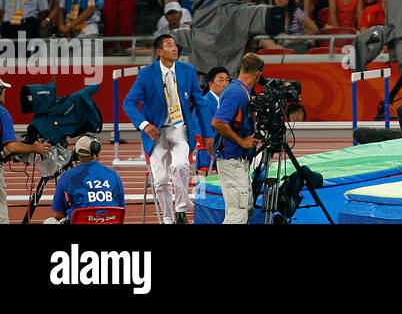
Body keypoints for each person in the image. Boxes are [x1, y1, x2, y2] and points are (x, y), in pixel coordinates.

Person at [122, 33, 205, 224]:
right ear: (159, 52)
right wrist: (145, 125)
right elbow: (128, 103)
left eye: (175, 45)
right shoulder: (146, 74)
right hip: (157, 132)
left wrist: (207, 133)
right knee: (160, 181)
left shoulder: (188, 71)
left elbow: (199, 103)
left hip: (179, 129)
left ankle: (181, 210)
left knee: (180, 165)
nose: (174, 48)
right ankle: (168, 218)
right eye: (169, 45)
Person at [210, 53, 264, 225]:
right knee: (238, 212)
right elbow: (218, 122)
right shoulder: (236, 93)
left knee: (245, 208)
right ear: (258, 74)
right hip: (231, 158)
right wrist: (242, 142)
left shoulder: (241, 91)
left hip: (237, 159)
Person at [1, 75, 52, 224]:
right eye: (3, 89)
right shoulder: (3, 113)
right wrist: (35, 148)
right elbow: (12, 146)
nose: (5, 92)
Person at [49, 135, 125, 221]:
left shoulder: (67, 177)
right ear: (96, 152)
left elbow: (58, 214)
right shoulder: (114, 175)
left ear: (75, 155)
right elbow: (120, 208)